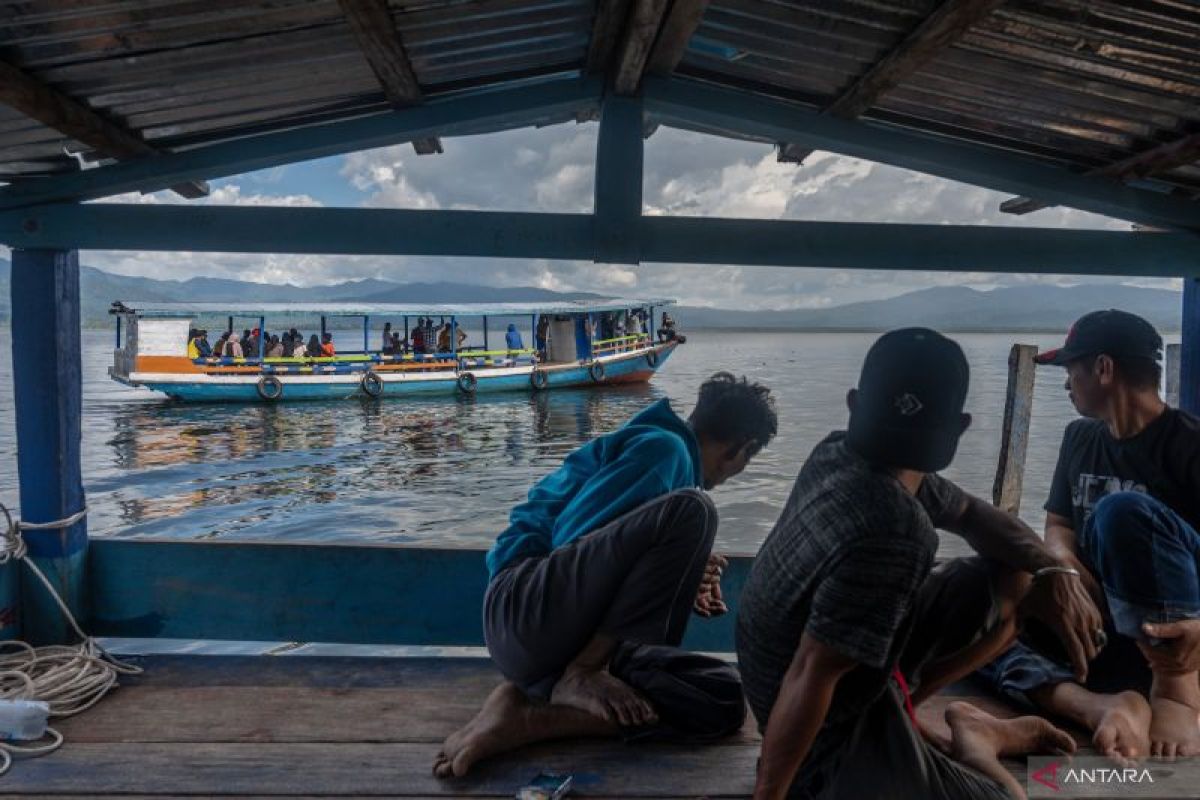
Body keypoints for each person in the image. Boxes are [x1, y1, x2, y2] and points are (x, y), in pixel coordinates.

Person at [737, 329, 1095, 800]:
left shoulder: (838, 450)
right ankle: (976, 744)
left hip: (786, 673)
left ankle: (904, 720)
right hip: (823, 727)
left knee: (1015, 573)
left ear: (853, 405)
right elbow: (812, 671)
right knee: (1009, 797)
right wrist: (771, 791)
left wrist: (1052, 569)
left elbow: (968, 513)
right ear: (960, 428)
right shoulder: (895, 526)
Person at [434, 373, 779, 779]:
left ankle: (534, 716)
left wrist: (683, 576)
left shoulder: (674, 467)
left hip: (558, 633)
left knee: (722, 697)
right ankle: (581, 675)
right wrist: (680, 550)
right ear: (742, 449)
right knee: (695, 512)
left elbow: (605, 564)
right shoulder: (663, 450)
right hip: (523, 607)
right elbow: (572, 541)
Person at [979, 310, 1200, 762]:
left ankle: (1177, 694)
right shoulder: (1079, 437)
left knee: (1119, 511)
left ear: (1103, 368)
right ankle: (1099, 706)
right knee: (975, 618)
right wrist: (1064, 571)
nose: (1066, 385)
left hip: (1179, 644)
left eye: (1070, 371)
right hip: (1102, 625)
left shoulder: (1188, 444)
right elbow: (1058, 526)